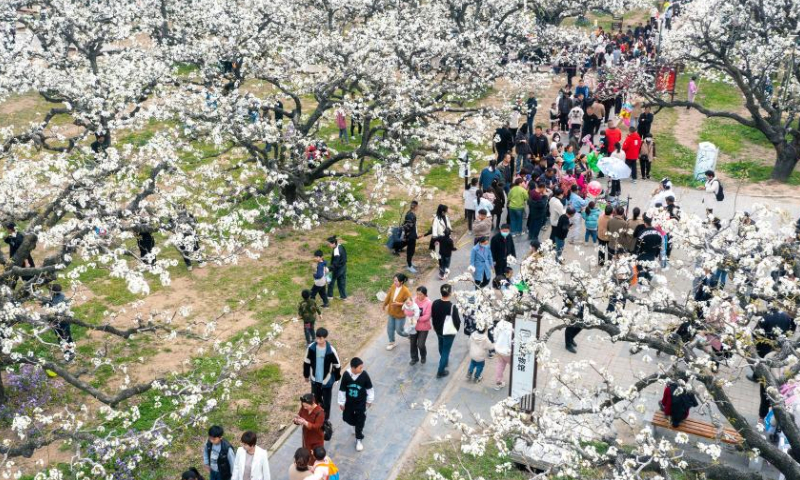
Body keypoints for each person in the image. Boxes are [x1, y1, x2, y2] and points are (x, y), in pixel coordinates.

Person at [303, 328, 342, 422]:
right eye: (317, 338)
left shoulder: (331, 350)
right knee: (315, 399)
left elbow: (337, 366)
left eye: (320, 338)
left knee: (327, 402)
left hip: (327, 381)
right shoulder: (311, 348)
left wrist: (336, 379)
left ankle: (326, 418)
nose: (318, 340)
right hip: (315, 380)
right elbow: (306, 362)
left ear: (325, 338)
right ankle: (317, 415)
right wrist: (306, 375)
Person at [338, 357, 374, 452]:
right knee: (346, 418)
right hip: (349, 402)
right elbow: (342, 389)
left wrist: (369, 400)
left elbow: (369, 388)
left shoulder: (364, 375)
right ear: (353, 368)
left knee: (360, 421)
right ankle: (356, 424)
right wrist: (341, 402)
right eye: (360, 368)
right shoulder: (346, 375)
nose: (361, 369)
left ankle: (359, 439)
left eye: (362, 367)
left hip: (361, 403)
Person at [431, 283, 461, 378]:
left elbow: (433, 316)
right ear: (450, 293)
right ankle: (441, 371)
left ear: (441, 292)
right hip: (448, 332)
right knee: (446, 351)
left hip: (438, 330)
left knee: (441, 345)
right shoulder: (452, 307)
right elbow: (457, 322)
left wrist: (435, 327)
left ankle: (444, 361)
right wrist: (455, 330)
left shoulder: (435, 303)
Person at [382, 273, 412, 350]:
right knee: (390, 328)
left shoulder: (406, 291)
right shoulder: (393, 286)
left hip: (400, 315)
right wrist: (385, 304)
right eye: (394, 280)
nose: (394, 282)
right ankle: (392, 342)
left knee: (399, 331)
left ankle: (410, 335)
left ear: (401, 282)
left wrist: (399, 304)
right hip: (391, 312)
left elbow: (410, 303)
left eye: (396, 281)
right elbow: (389, 296)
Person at [634, 215, 662, 283]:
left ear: (645, 223)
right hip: (652, 254)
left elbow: (638, 245)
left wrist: (635, 253)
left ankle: (642, 285)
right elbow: (659, 246)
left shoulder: (643, 233)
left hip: (642, 254)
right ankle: (649, 282)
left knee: (641, 270)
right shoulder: (658, 233)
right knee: (649, 269)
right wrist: (656, 254)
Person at [409, 286, 432, 366]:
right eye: (417, 294)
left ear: (425, 295)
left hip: (424, 327)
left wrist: (416, 318)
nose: (418, 296)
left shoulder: (428, 303)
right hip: (413, 326)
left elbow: (427, 316)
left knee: (421, 344)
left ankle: (423, 355)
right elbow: (409, 309)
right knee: (412, 343)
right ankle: (414, 358)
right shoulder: (414, 300)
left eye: (421, 294)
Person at [399, 201, 420, 273]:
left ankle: (410, 262)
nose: (418, 208)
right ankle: (409, 265)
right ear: (415, 207)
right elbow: (408, 227)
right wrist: (408, 236)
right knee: (410, 250)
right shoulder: (410, 215)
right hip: (410, 236)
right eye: (417, 206)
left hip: (412, 235)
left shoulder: (411, 214)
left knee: (412, 250)